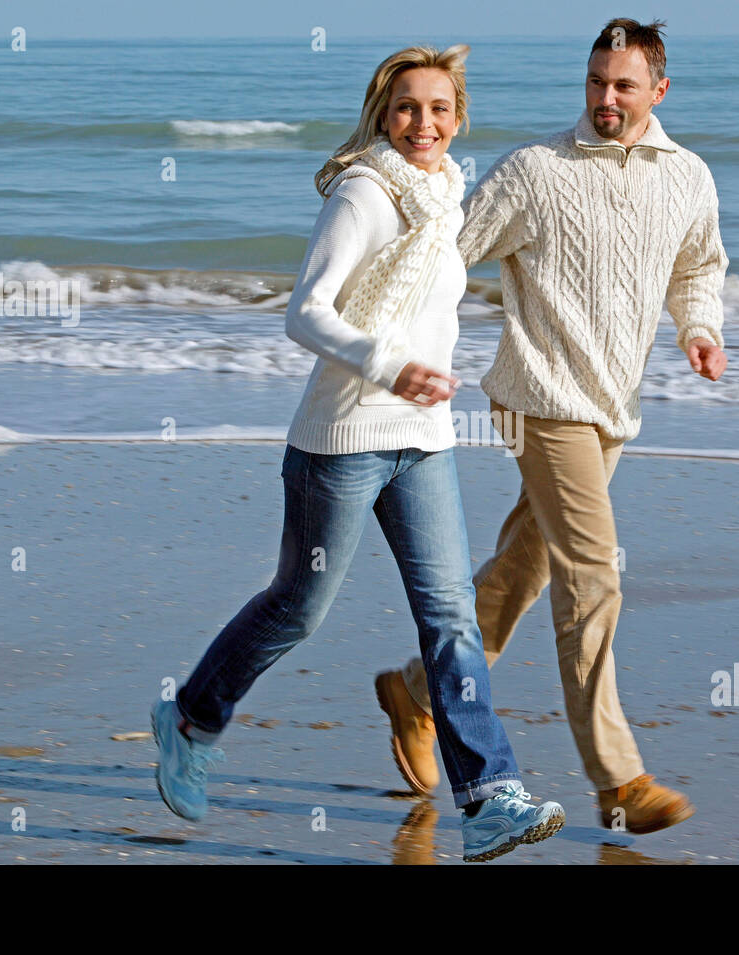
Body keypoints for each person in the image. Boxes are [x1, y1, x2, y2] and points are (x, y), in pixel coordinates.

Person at [150, 43, 564, 863]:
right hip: (340, 443)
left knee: (450, 617)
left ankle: (488, 796)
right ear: (383, 114)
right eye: (408, 107)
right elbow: (305, 312)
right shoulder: (364, 194)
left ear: (459, 118)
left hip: (423, 442)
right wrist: (388, 364)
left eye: (440, 108)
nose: (425, 123)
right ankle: (192, 716)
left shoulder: (447, 199)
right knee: (298, 608)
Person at [375, 18, 729, 834]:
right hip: (540, 397)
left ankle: (419, 692)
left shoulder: (689, 178)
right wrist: (381, 344)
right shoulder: (536, 171)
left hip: (613, 406)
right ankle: (619, 776)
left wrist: (699, 329)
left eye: (624, 86)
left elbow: (697, 266)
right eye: (596, 83)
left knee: (528, 566)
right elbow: (446, 252)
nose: (606, 99)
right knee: (592, 577)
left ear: (658, 92)